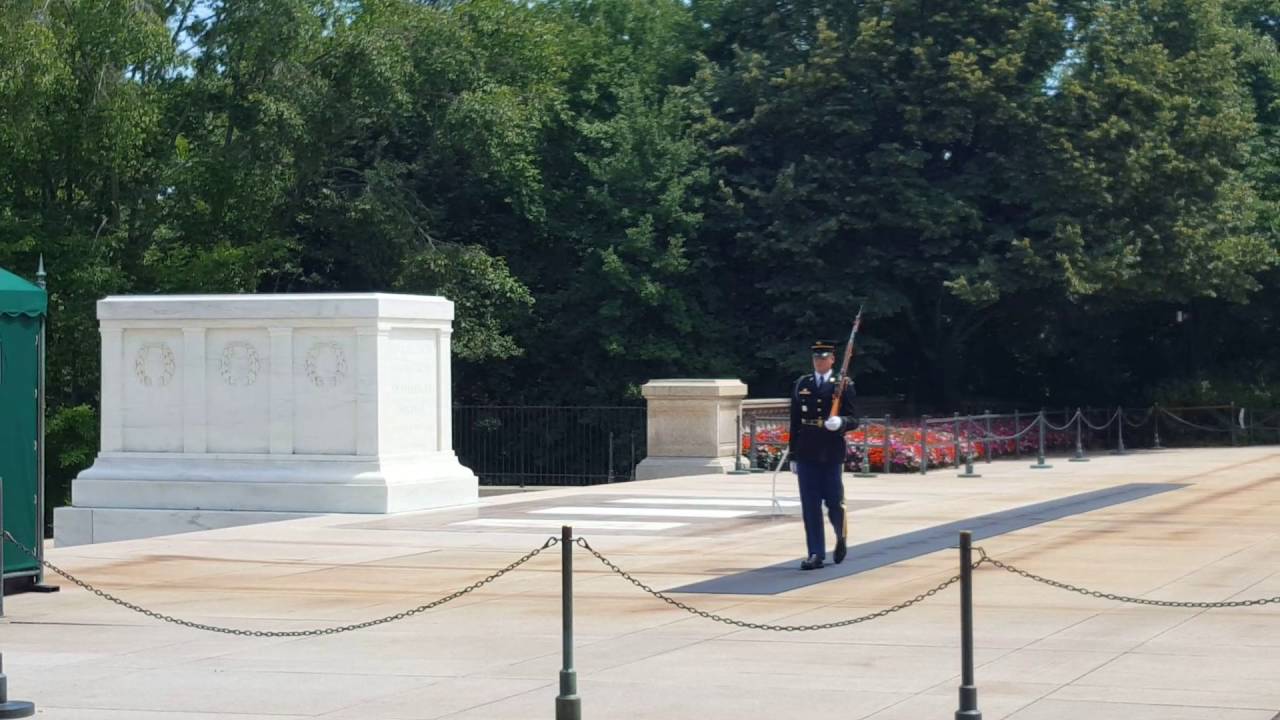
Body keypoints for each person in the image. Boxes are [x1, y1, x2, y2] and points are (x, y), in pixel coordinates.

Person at [788, 340, 857, 570]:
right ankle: (815, 553)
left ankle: (840, 537)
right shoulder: (802, 384)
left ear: (832, 360)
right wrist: (793, 455)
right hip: (807, 450)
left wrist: (841, 422)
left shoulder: (843, 384)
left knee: (834, 502)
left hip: (830, 451)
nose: (819, 362)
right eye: (816, 358)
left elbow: (854, 418)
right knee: (810, 505)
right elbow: (795, 422)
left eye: (823, 358)